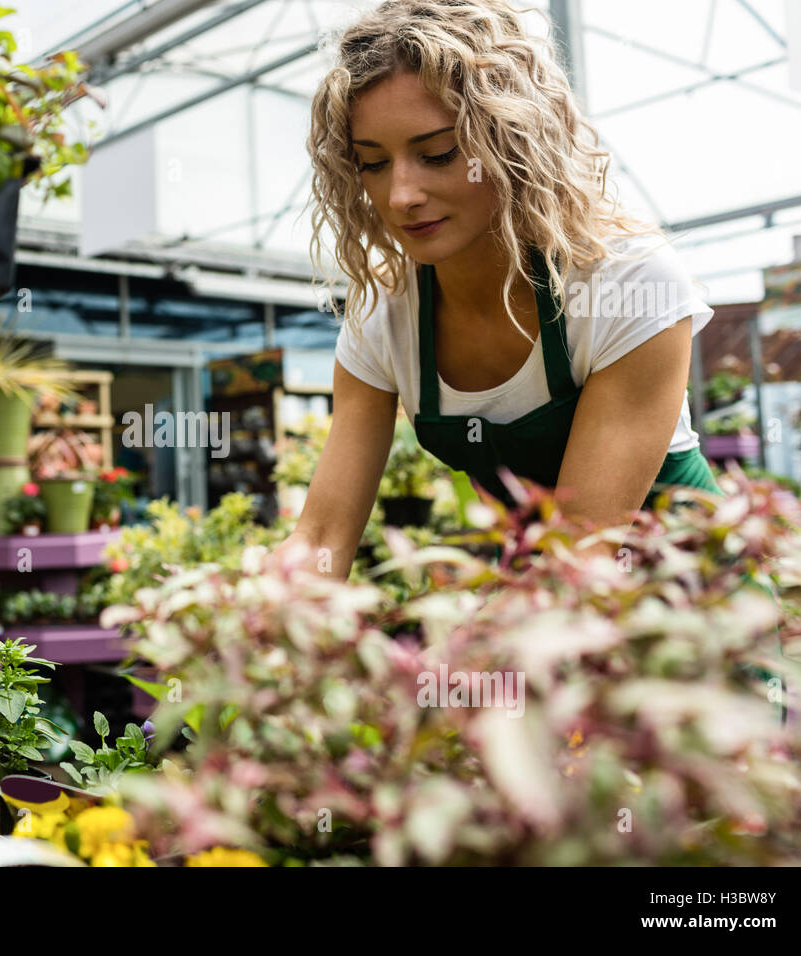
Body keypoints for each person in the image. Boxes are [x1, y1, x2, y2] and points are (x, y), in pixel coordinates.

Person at [278, 0, 725, 582]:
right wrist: (257, 631)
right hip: (547, 614)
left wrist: (454, 664)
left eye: (437, 154)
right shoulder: (384, 313)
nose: (400, 196)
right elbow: (320, 537)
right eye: (373, 164)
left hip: (697, 608)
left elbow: (578, 554)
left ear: (512, 141)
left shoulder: (625, 281)